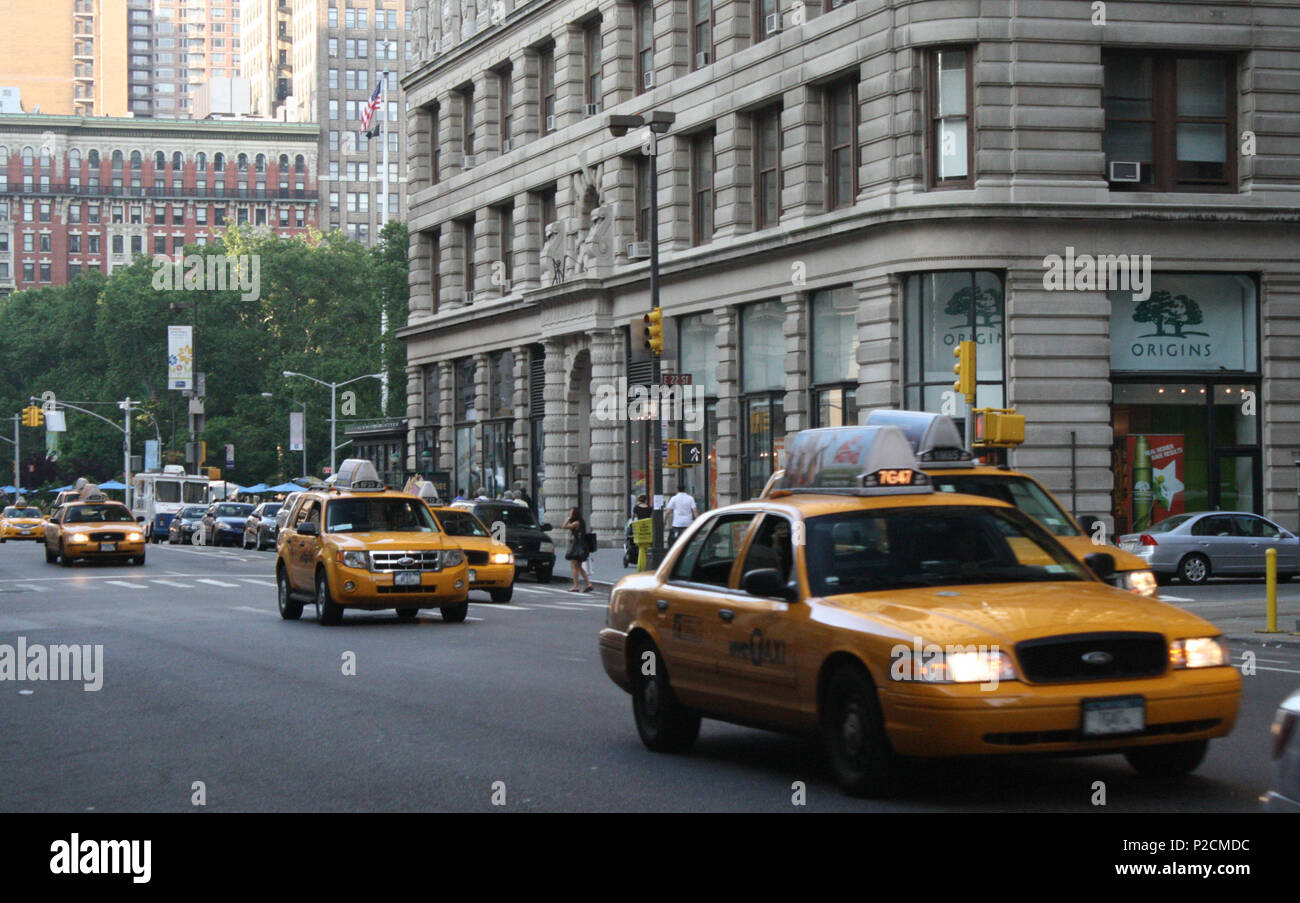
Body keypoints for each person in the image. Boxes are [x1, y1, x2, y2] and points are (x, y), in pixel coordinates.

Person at [561, 506, 593, 592]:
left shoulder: (576, 523)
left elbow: (564, 526)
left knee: (574, 566)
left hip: (577, 546)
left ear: (574, 514)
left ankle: (576, 586)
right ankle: (588, 583)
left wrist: (568, 518)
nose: (569, 514)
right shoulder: (581, 522)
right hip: (582, 545)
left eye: (571, 512)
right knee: (579, 566)